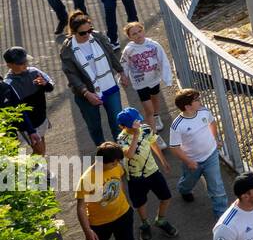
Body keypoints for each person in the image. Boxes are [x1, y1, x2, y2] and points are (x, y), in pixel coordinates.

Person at [76, 142, 151, 240]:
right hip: (100, 223)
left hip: (123, 215)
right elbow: (81, 207)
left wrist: (125, 201)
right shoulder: (87, 178)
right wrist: (87, 230)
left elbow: (120, 181)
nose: (117, 164)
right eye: (114, 162)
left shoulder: (116, 166)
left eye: (118, 161)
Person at [60, 10, 127, 145]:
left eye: (89, 30)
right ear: (73, 32)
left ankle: (121, 151)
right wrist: (86, 93)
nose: (87, 35)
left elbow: (111, 54)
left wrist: (121, 72)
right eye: (82, 33)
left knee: (117, 122)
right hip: (87, 94)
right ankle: (104, 153)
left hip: (109, 87)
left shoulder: (98, 37)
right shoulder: (67, 49)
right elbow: (72, 75)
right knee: (95, 126)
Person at [116, 107, 178, 240]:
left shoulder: (145, 129)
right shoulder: (121, 139)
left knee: (166, 197)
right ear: (123, 126)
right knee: (140, 203)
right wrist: (136, 137)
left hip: (153, 171)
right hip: (135, 177)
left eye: (138, 120)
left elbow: (153, 143)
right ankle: (144, 224)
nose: (138, 124)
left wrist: (163, 160)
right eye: (134, 123)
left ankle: (160, 220)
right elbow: (129, 155)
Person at [171, 87, 230, 216]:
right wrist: (188, 161)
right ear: (187, 106)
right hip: (193, 161)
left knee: (216, 186)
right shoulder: (177, 125)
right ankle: (184, 190)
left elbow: (212, 123)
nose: (200, 101)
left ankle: (221, 214)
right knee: (189, 181)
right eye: (196, 100)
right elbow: (174, 147)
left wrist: (215, 139)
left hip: (211, 155)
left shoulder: (204, 111)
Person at [119, 21, 174, 138]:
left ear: (143, 30)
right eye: (134, 34)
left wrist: (167, 79)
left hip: (154, 79)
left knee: (155, 99)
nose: (138, 35)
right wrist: (124, 78)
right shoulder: (129, 50)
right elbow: (124, 65)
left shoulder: (153, 45)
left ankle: (156, 116)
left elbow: (163, 61)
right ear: (129, 37)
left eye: (140, 31)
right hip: (140, 83)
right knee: (148, 110)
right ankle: (155, 135)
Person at [2, 46, 54, 157]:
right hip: (28, 126)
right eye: (20, 63)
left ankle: (39, 170)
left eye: (25, 61)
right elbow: (15, 109)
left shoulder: (34, 72)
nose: (25, 65)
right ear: (9, 65)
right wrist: (28, 129)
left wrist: (45, 84)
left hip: (41, 118)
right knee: (40, 151)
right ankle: (31, 171)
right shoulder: (8, 84)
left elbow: (50, 87)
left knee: (42, 148)